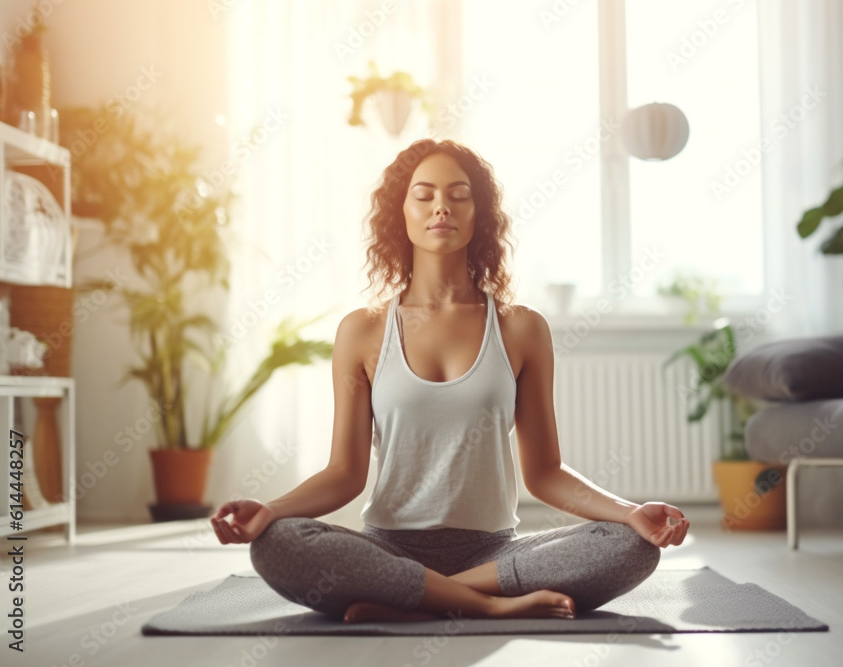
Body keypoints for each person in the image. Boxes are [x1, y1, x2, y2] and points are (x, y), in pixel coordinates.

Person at [209, 138, 690, 624]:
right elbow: (344, 474)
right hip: (388, 550)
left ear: (479, 213)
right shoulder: (363, 330)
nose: (442, 206)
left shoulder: (521, 328)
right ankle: (484, 605)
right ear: (401, 213)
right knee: (278, 544)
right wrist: (270, 510)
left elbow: (544, 473)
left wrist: (629, 510)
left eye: (459, 194)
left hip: (493, 555)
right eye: (424, 195)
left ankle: (415, 599)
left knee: (631, 546)